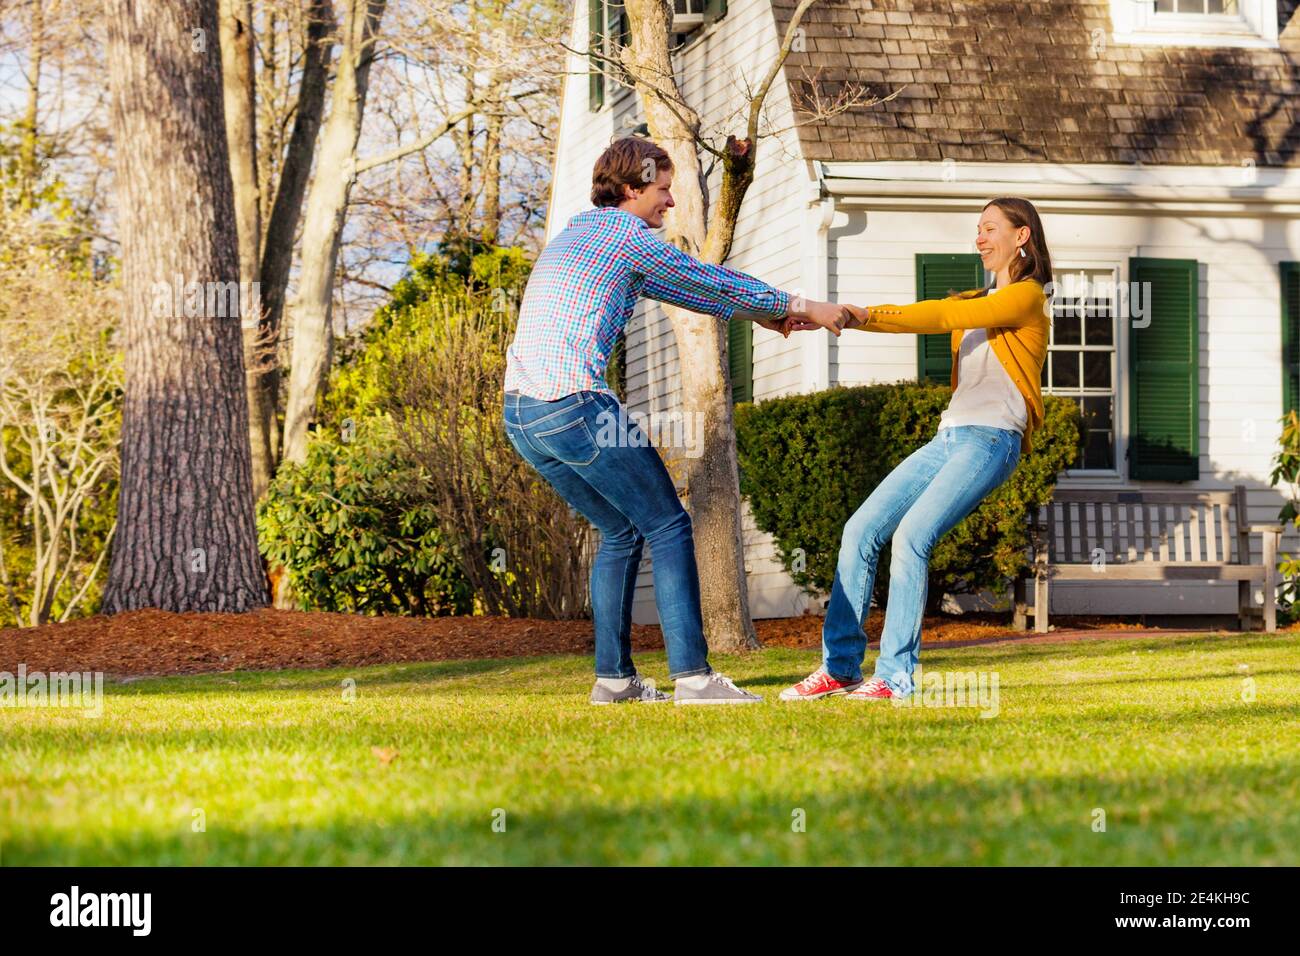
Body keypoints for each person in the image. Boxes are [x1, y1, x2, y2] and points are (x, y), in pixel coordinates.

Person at [504, 136, 849, 705]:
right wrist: (802, 307)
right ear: (632, 188)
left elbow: (690, 292)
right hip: (573, 402)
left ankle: (613, 680)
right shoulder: (628, 238)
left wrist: (764, 317)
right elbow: (710, 282)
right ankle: (693, 677)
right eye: (663, 190)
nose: (670, 203)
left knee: (619, 531)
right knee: (667, 525)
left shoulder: (577, 235)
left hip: (523, 414)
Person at [779, 197, 1053, 702]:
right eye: (977, 229)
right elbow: (947, 313)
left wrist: (866, 315)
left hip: (993, 438)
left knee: (911, 537)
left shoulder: (1028, 298)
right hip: (948, 435)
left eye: (990, 228)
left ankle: (894, 676)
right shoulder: (976, 299)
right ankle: (839, 668)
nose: (980, 237)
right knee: (860, 529)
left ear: (1022, 237)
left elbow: (939, 313)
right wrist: (855, 317)